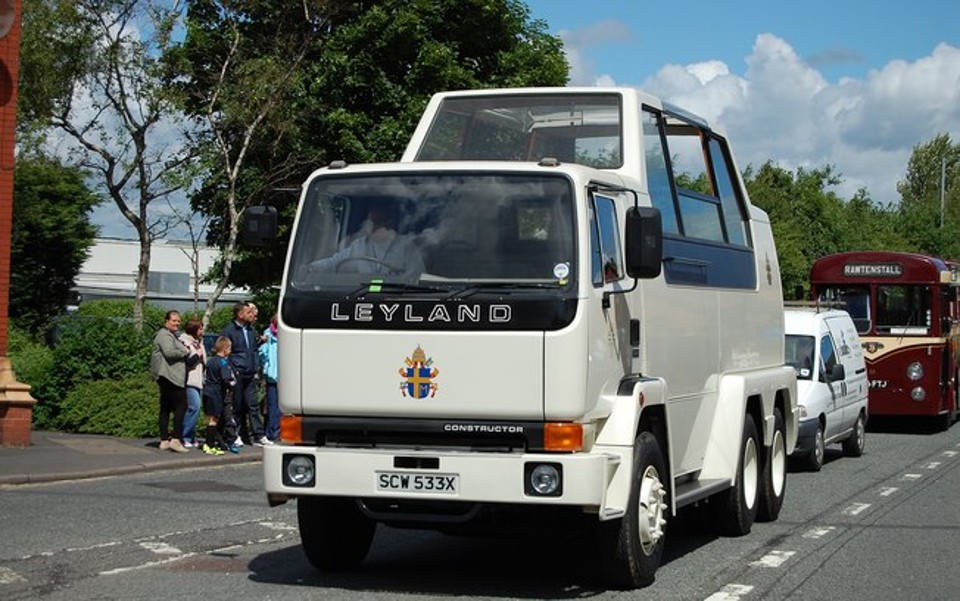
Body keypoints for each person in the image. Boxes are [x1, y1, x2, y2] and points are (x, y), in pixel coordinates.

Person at [308, 200, 424, 280]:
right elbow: (334, 262)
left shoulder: (407, 247)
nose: (372, 226)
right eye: (370, 221)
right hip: (364, 294)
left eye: (378, 221)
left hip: (396, 299)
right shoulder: (360, 245)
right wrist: (311, 267)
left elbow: (417, 277)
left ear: (389, 223)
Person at [220, 301, 271, 447]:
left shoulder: (251, 330)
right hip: (237, 373)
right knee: (236, 406)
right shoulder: (229, 331)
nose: (252, 315)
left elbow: (253, 349)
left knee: (253, 405)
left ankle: (259, 435)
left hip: (250, 373)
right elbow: (225, 352)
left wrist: (256, 362)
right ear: (240, 314)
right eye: (248, 312)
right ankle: (234, 435)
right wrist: (231, 369)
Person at [149, 310, 193, 453]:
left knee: (166, 408)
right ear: (166, 321)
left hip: (168, 376)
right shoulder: (164, 335)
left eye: (178, 321)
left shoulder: (171, 335)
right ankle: (175, 439)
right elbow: (169, 352)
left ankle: (164, 440)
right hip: (169, 376)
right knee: (182, 406)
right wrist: (185, 352)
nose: (177, 323)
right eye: (174, 321)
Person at [202, 336, 236, 455]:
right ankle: (210, 445)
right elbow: (226, 379)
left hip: (206, 391)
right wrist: (232, 387)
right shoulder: (223, 362)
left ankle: (208, 443)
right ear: (225, 348)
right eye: (230, 348)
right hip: (216, 393)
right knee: (214, 420)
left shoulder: (211, 360)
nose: (230, 350)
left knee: (209, 419)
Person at [179, 319, 206, 448]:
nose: (202, 331)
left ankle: (191, 435)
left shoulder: (200, 343)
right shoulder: (184, 342)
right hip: (189, 380)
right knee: (194, 407)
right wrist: (197, 354)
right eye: (200, 328)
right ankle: (184, 436)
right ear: (193, 329)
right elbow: (187, 363)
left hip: (199, 380)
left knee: (196, 409)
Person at [259, 313, 280, 442]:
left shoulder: (287, 334)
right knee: (273, 406)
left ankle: (274, 431)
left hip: (285, 375)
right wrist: (266, 367)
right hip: (272, 374)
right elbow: (262, 353)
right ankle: (274, 433)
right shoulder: (268, 335)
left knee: (280, 407)